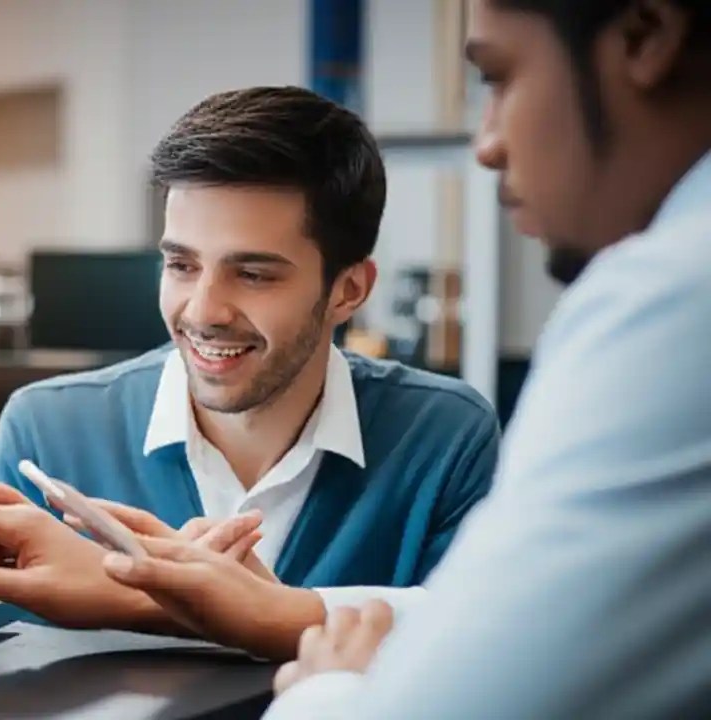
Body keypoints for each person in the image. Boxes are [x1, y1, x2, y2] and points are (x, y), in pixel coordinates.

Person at [106, 0, 711, 716]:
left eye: (500, 77)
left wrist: (325, 687)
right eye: (180, 264)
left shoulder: (672, 300)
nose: (486, 144)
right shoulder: (52, 424)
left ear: (645, 38)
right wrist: (289, 619)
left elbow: (492, 682)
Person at [0, 86, 501, 659]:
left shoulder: (442, 436)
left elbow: (482, 657)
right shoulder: (46, 430)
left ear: (348, 290)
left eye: (253, 274)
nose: (204, 311)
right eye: (181, 265)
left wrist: (152, 601)